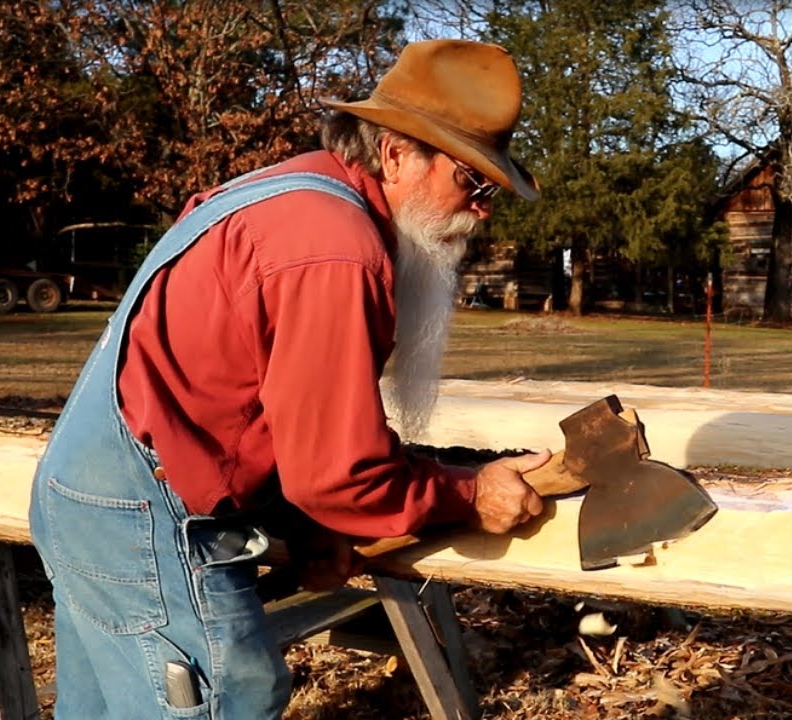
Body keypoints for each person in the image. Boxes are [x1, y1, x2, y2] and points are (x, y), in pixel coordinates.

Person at [28, 39, 548, 719]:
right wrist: (468, 493)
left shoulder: (289, 193)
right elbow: (337, 474)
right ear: (395, 154)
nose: (482, 208)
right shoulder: (337, 251)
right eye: (471, 181)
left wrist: (307, 525)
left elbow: (256, 403)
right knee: (228, 699)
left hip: (93, 503)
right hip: (148, 524)